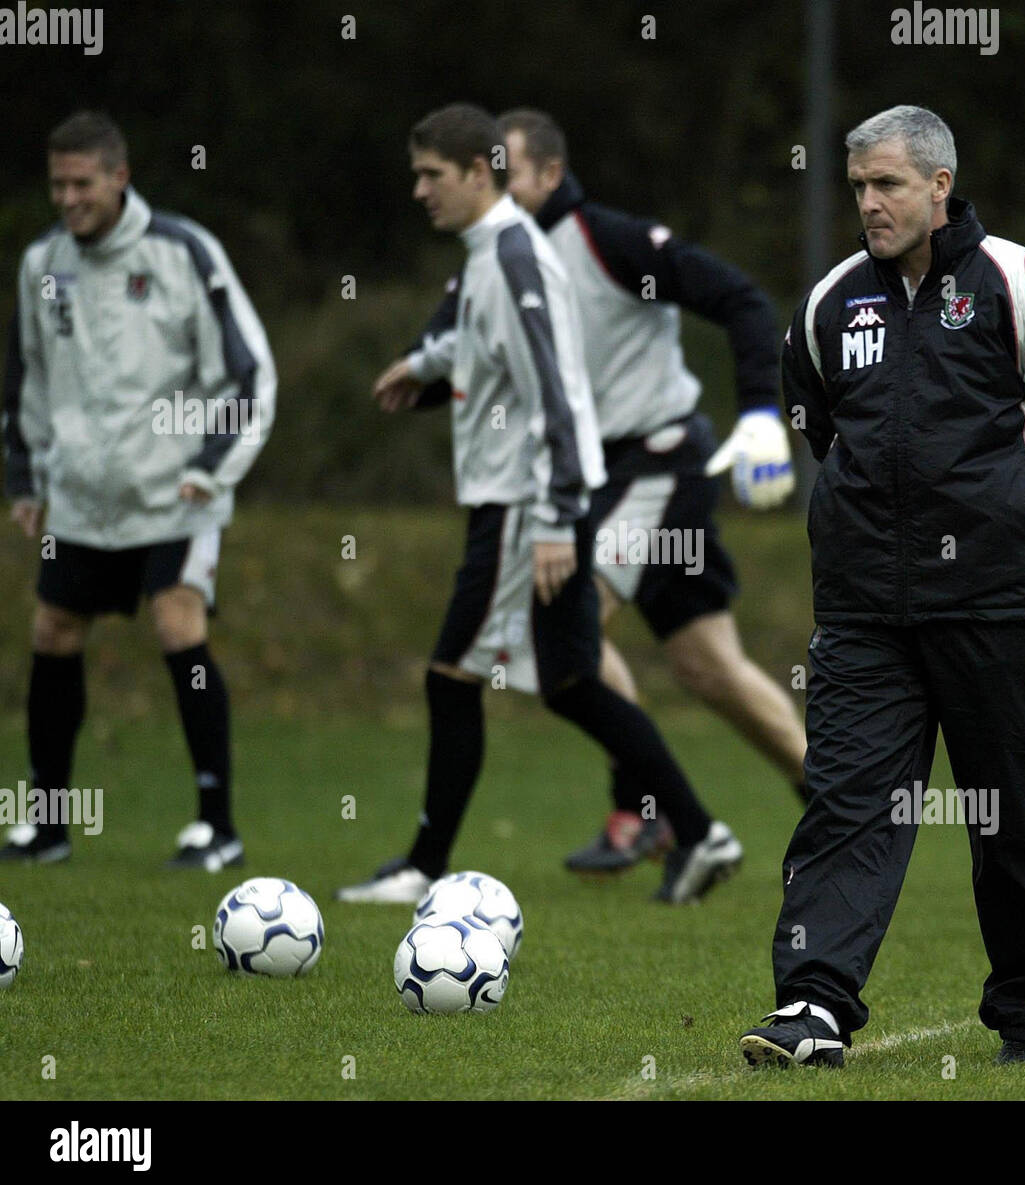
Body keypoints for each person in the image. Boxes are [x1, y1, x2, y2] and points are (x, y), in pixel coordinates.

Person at [738, 105, 1025, 1069]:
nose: (869, 202)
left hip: (1003, 603)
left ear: (940, 184)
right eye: (859, 186)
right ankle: (813, 1006)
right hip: (866, 610)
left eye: (888, 185)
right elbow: (820, 423)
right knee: (847, 803)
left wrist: (1016, 513)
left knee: (1018, 812)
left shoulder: (1023, 286)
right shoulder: (830, 304)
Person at [337, 103, 741, 906]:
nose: (419, 190)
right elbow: (487, 343)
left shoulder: (515, 254)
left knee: (452, 678)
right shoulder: (494, 254)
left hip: (525, 504)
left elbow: (558, 390)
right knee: (572, 683)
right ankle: (699, 832)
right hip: (520, 499)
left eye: (431, 175)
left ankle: (423, 863)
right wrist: (425, 360)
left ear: (477, 173)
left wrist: (558, 516)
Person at [2, 111, 276, 870]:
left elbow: (248, 370)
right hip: (84, 497)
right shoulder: (42, 264)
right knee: (53, 631)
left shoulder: (184, 251)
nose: (67, 198)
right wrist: (24, 473)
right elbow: (26, 373)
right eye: (57, 183)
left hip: (176, 491)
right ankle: (49, 823)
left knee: (176, 624)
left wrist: (212, 463)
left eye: (82, 183)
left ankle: (215, 822)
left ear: (119, 178)